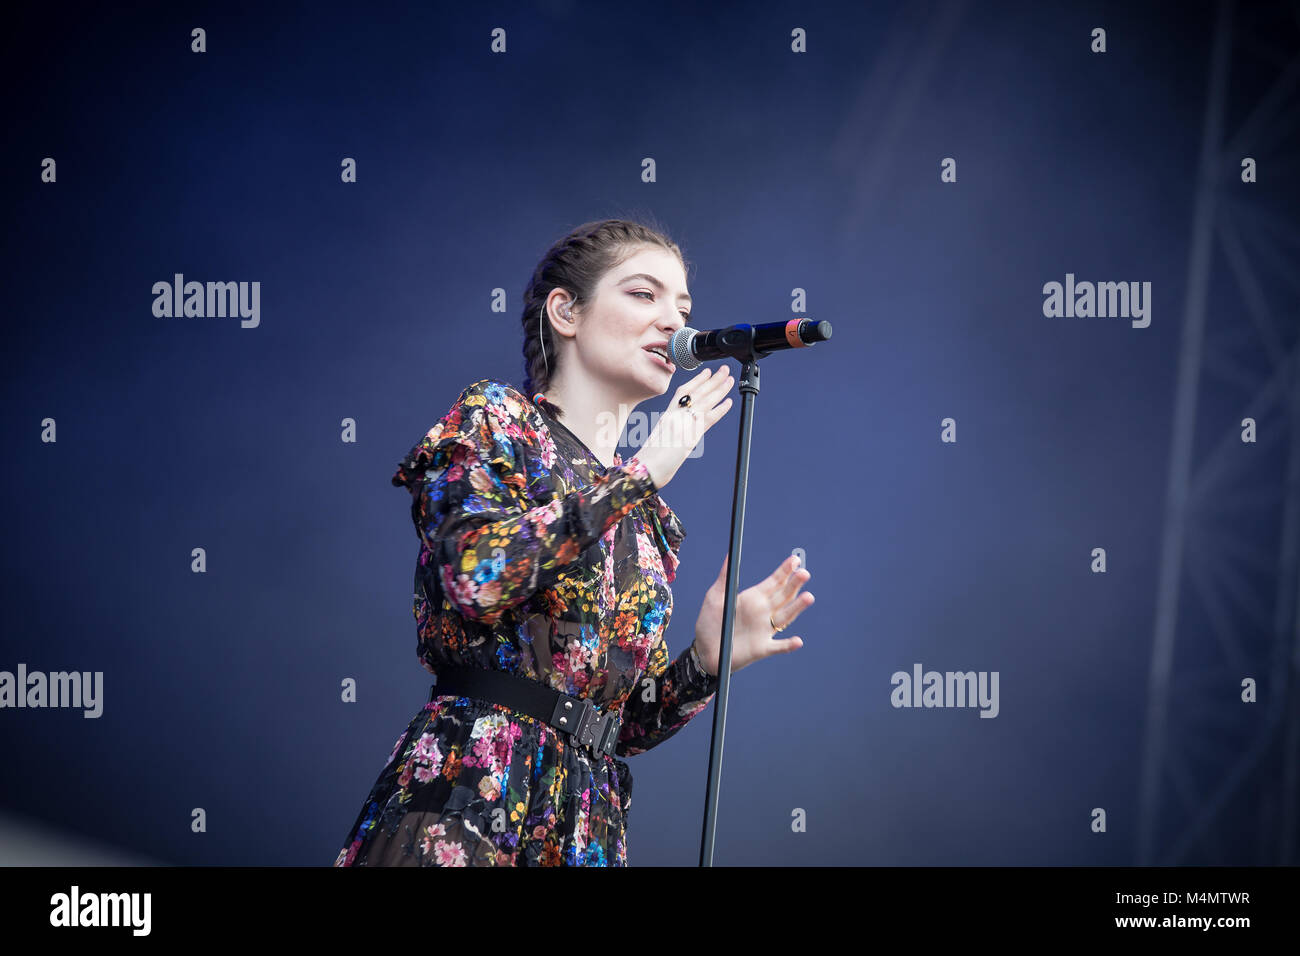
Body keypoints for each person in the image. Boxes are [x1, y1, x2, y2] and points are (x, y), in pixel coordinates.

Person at [332, 218, 815, 867]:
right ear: (566, 312)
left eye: (684, 307)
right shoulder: (499, 421)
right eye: (644, 295)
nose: (673, 322)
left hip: (582, 823)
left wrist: (705, 661)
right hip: (474, 793)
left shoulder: (649, 518)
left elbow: (615, 721)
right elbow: (474, 576)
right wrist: (638, 475)